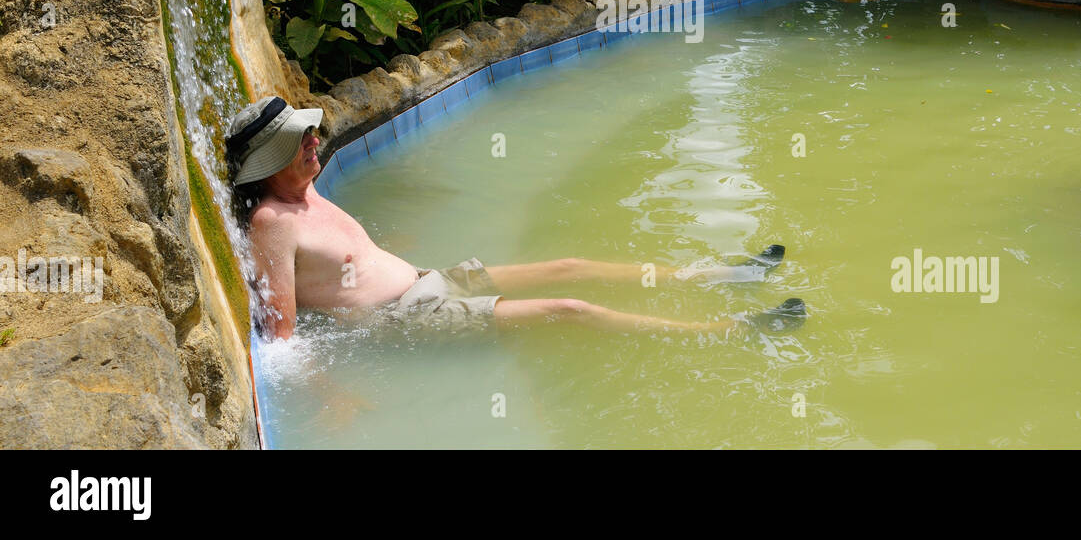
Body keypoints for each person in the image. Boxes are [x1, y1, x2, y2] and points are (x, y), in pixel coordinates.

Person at [225, 95, 808, 341]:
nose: (314, 141)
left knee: (569, 264)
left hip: (433, 278)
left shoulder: (307, 194)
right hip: (412, 314)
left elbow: (343, 262)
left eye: (309, 132)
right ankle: (731, 330)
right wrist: (330, 394)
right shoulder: (274, 221)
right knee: (570, 308)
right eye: (299, 140)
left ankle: (727, 274)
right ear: (270, 159)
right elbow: (281, 332)